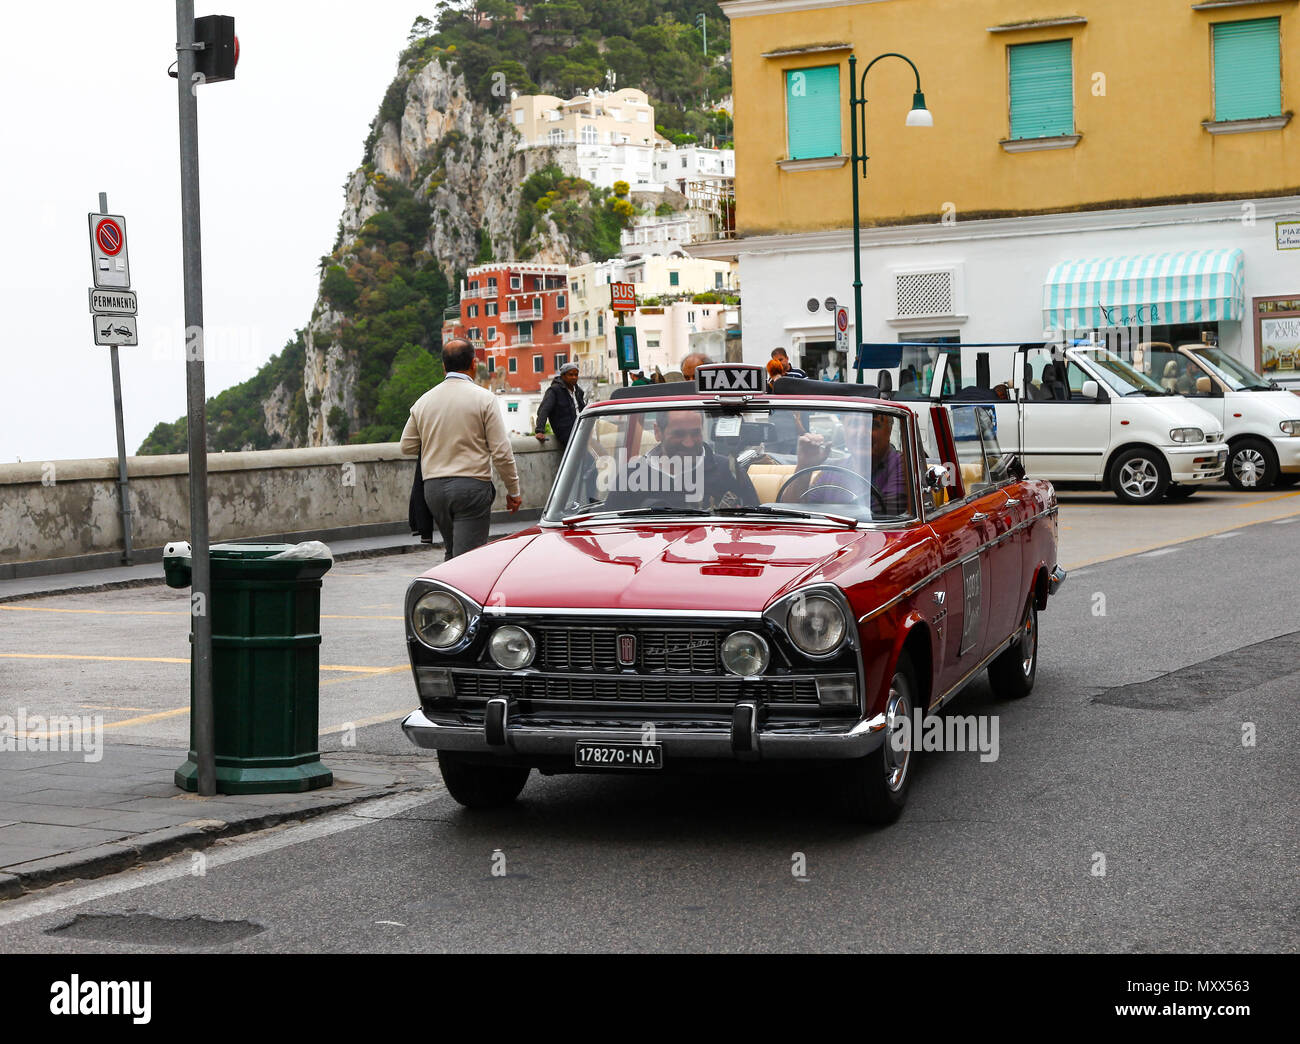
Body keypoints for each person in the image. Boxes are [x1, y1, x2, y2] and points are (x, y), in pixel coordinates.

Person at [400, 338, 522, 560]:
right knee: (468, 559)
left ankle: (447, 593)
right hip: (471, 486)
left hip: (433, 489)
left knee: (452, 553)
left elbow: (406, 446)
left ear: (444, 366)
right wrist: (513, 491)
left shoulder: (424, 401)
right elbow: (501, 452)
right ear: (474, 364)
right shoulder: (484, 398)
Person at [602, 409, 758, 512]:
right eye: (679, 434)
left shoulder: (729, 470)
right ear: (658, 432)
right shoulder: (632, 475)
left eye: (695, 433)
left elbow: (755, 525)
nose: (688, 442)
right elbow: (609, 533)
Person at [784, 411, 907, 514]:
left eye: (873, 425)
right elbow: (789, 514)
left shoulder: (903, 465)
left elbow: (882, 516)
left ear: (889, 431)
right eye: (854, 424)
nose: (862, 433)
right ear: (845, 430)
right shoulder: (832, 471)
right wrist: (805, 465)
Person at [534, 361, 587, 450]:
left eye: (576, 375)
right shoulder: (554, 391)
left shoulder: (578, 392)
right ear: (563, 376)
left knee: (598, 454)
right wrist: (539, 430)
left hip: (580, 431)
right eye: (570, 375)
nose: (574, 377)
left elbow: (584, 411)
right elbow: (544, 410)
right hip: (566, 434)